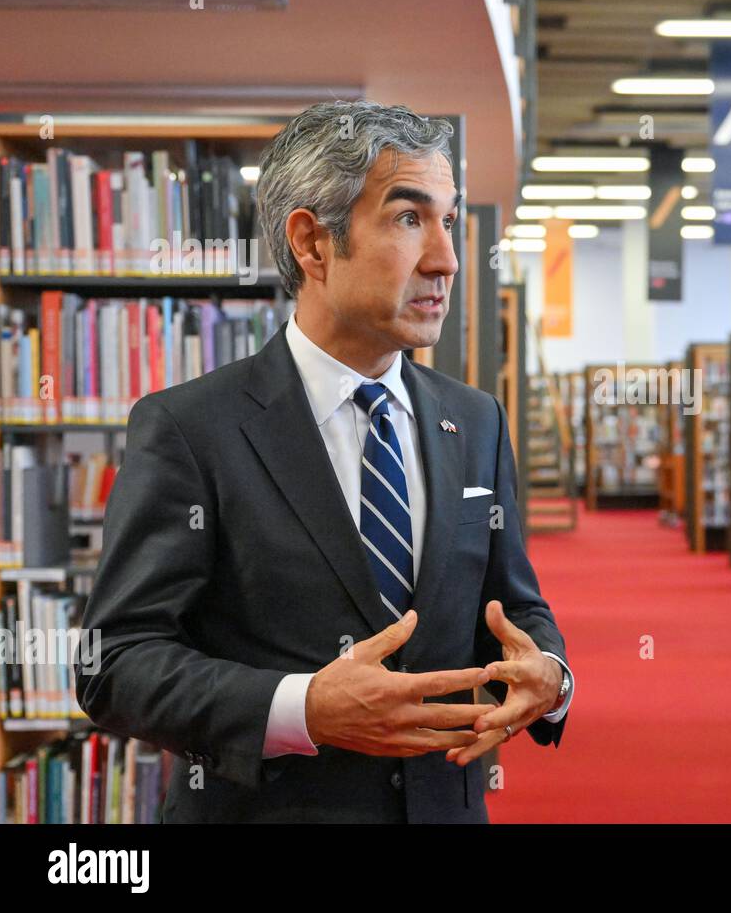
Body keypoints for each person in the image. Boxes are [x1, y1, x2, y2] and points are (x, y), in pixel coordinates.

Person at [75, 101, 573, 822]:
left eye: (450, 221)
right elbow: (114, 663)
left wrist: (550, 675)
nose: (447, 258)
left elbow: (514, 605)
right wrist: (301, 708)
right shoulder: (190, 429)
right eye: (409, 219)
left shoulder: (476, 421)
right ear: (311, 244)